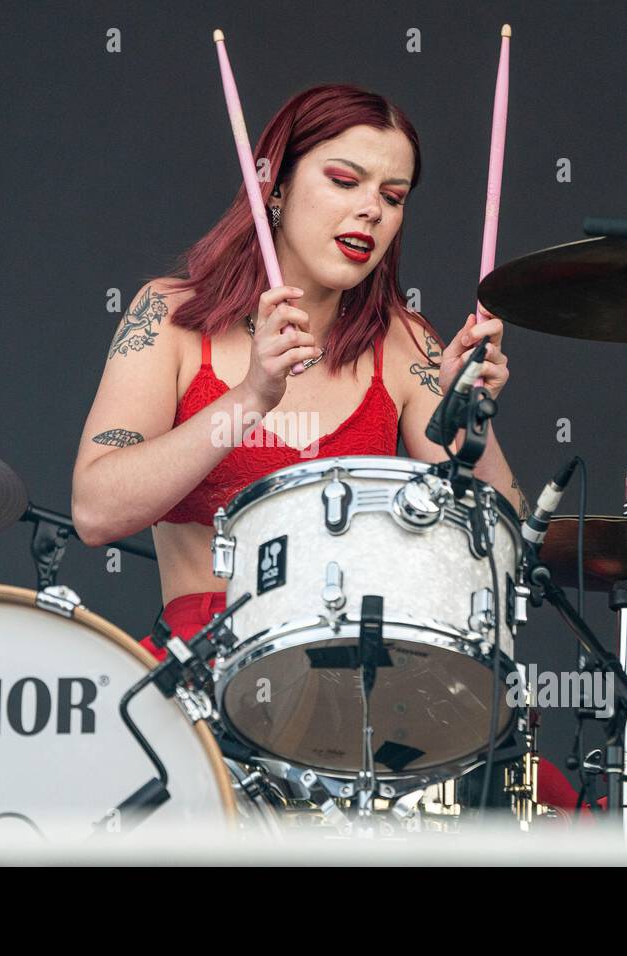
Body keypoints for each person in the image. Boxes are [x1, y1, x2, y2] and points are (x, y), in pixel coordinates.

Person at [71, 83, 526, 655]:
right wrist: (251, 397)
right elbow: (96, 511)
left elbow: (507, 553)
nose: (371, 210)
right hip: (205, 676)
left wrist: (470, 419)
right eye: (343, 181)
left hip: (360, 676)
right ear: (277, 186)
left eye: (393, 196)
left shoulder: (410, 344)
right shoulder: (170, 315)